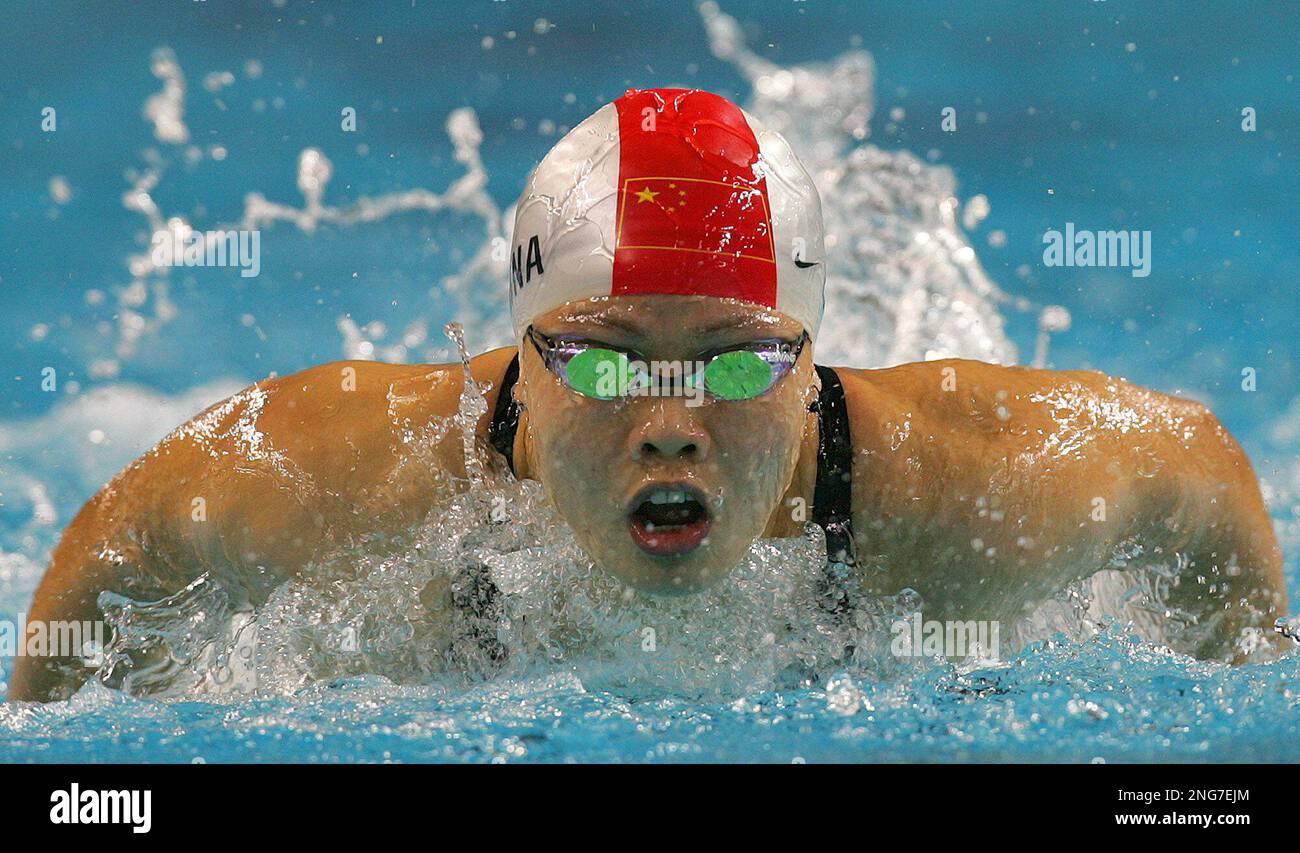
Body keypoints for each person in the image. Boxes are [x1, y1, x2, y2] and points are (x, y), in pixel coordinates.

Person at [10, 88, 1287, 702]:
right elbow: (129, 540)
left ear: (805, 367)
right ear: (521, 361)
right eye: (605, 357)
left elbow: (1196, 469)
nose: (668, 417)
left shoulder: (954, 494)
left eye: (735, 362)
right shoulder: (354, 477)